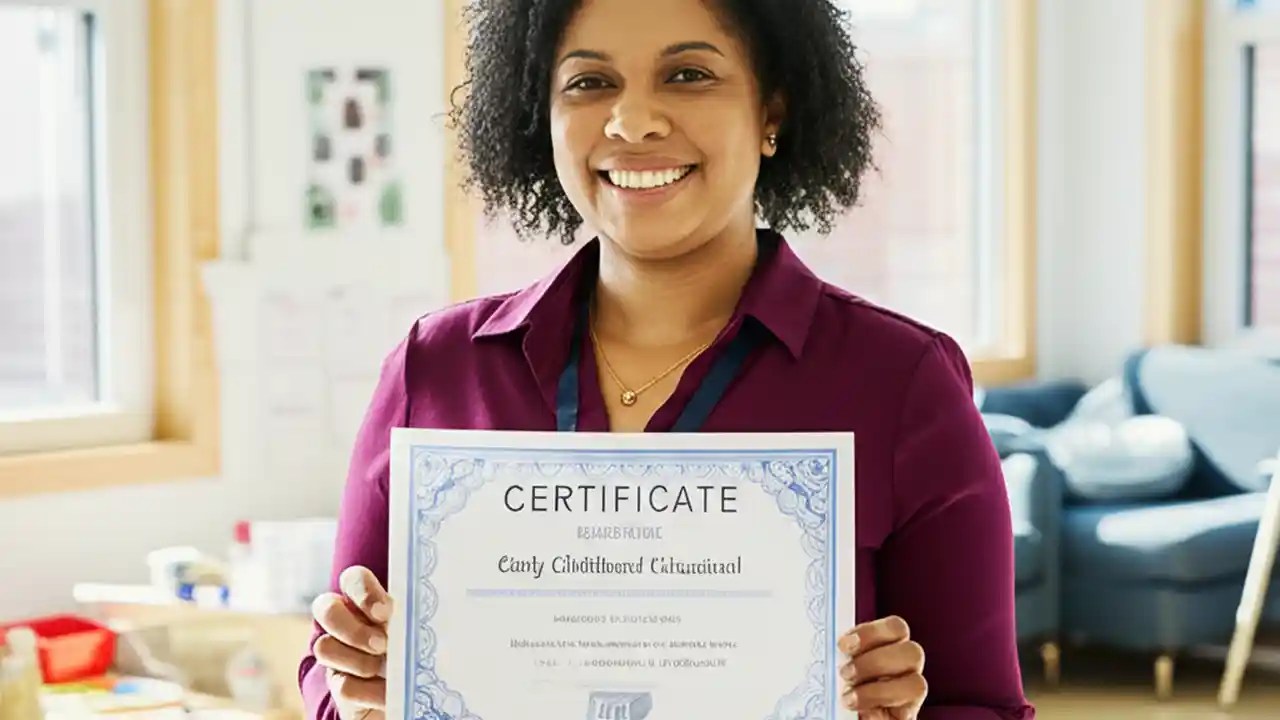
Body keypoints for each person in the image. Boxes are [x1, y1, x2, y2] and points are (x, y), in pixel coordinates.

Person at [299, 0, 1035, 718]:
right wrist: (359, 693)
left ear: (771, 112)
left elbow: (980, 705)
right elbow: (329, 679)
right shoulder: (437, 369)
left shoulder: (901, 382)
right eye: (590, 83)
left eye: (688, 75)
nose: (633, 120)